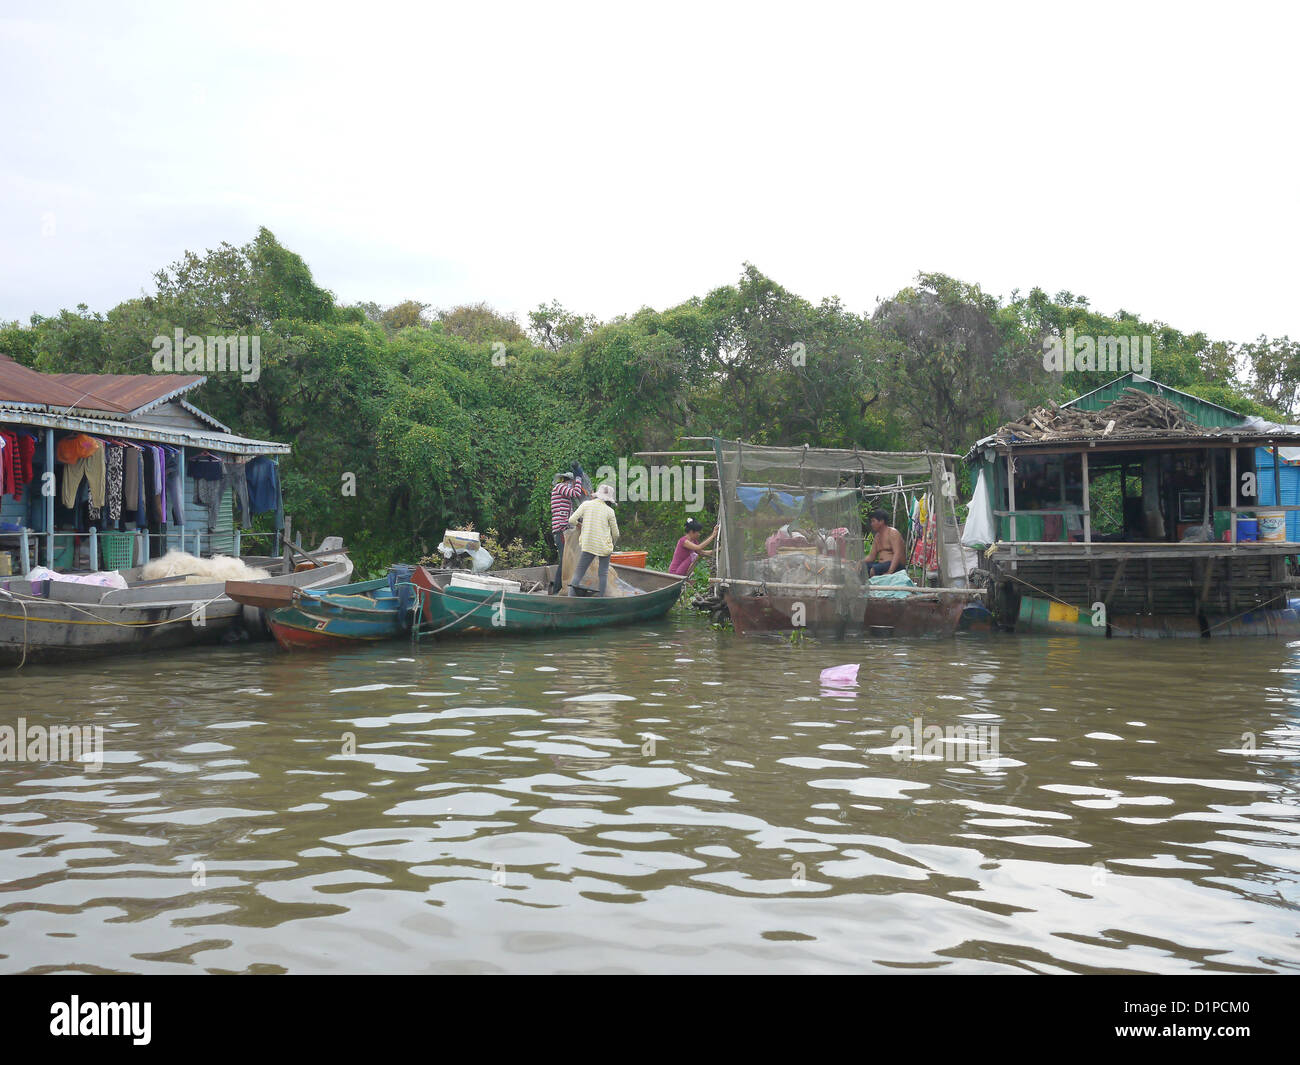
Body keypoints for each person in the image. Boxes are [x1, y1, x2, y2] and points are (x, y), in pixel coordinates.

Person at [568, 483, 619, 596]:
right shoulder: (610, 511)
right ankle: (601, 599)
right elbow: (616, 534)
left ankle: (570, 597)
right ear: (609, 500)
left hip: (588, 544)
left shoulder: (586, 504)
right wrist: (613, 544)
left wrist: (579, 525)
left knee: (579, 572)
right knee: (603, 573)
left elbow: (571, 520)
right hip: (604, 546)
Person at [547, 468, 587, 593]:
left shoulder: (564, 495)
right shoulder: (560, 487)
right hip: (561, 530)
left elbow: (568, 515)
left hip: (563, 529)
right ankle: (557, 590)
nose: (575, 485)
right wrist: (579, 477)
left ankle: (560, 588)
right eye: (574, 482)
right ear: (569, 481)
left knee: (567, 560)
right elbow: (576, 493)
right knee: (564, 561)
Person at [863, 508, 905, 576]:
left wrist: (890, 572)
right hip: (881, 565)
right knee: (863, 567)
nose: (871, 524)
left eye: (873, 521)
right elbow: (871, 557)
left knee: (874, 569)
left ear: (881, 521)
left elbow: (897, 554)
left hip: (896, 565)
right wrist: (860, 562)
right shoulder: (877, 537)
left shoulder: (893, 533)